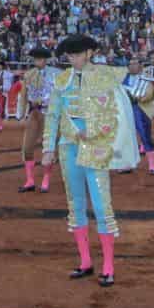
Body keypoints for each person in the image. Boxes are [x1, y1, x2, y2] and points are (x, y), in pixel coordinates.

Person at [40, 34, 138, 287]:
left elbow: (127, 98)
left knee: (101, 204)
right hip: (68, 147)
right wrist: (48, 148)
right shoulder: (61, 80)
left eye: (77, 54)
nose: (73, 59)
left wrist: (96, 131)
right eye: (69, 55)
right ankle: (85, 261)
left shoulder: (106, 74)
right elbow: (52, 116)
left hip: (95, 146)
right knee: (76, 203)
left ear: (89, 53)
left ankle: (108, 266)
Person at [19, 46, 56, 192]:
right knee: (27, 148)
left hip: (48, 113)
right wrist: (21, 115)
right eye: (35, 59)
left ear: (45, 60)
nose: (37, 61)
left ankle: (46, 180)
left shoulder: (55, 74)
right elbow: (23, 96)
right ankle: (30, 181)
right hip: (34, 114)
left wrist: (42, 100)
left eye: (40, 59)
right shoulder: (29, 75)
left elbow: (56, 93)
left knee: (48, 148)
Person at [121, 54, 154, 175]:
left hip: (140, 109)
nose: (132, 66)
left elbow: (149, 94)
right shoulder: (123, 78)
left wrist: (138, 98)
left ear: (140, 66)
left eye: (135, 64)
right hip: (126, 109)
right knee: (125, 137)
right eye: (130, 64)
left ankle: (152, 166)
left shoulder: (146, 79)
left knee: (145, 136)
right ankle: (127, 164)